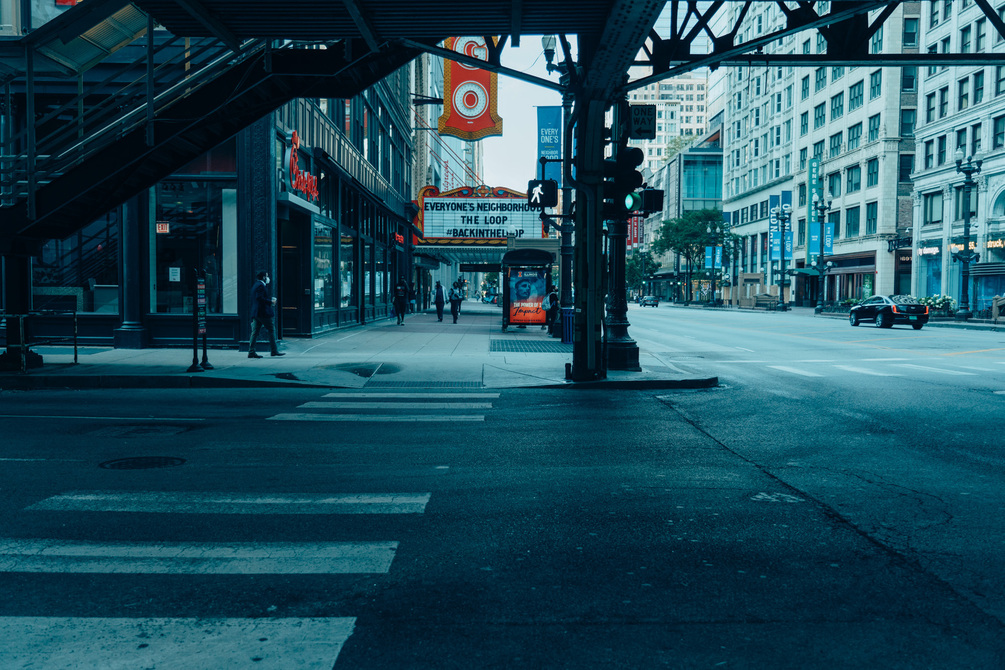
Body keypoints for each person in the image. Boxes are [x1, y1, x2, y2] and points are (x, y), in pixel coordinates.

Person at [248, 271, 283, 358]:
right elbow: (259, 298)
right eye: (267, 276)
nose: (268, 278)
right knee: (271, 330)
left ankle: (251, 351)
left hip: (256, 313)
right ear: (263, 277)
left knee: (255, 332)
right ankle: (274, 351)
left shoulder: (255, 285)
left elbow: (258, 298)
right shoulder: (260, 285)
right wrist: (271, 301)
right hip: (263, 313)